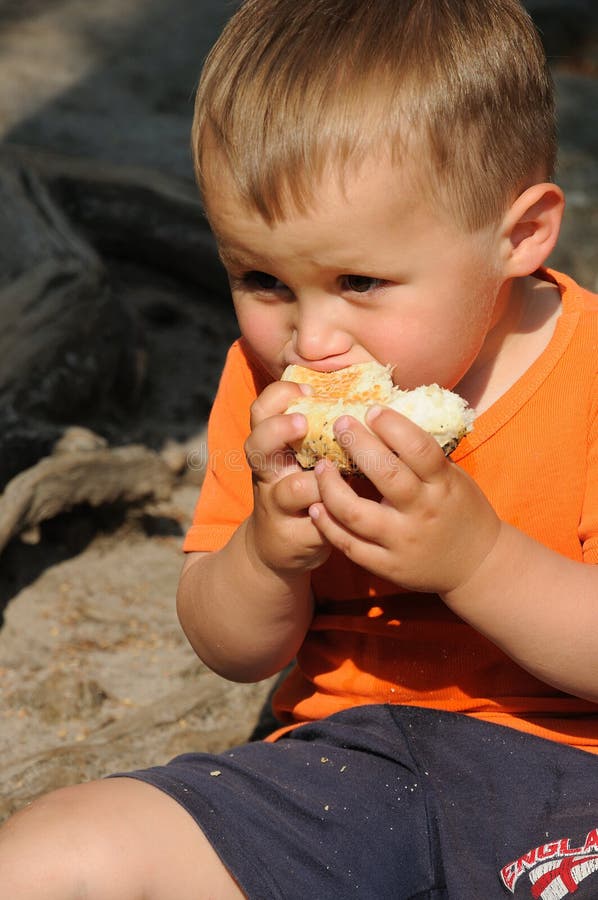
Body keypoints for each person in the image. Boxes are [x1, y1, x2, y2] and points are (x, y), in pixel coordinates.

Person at [1, 0, 597, 897]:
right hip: (346, 769)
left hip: (568, 777)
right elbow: (230, 647)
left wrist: (477, 560)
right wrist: (266, 557)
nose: (311, 335)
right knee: (55, 852)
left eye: (360, 281)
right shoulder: (264, 379)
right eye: (260, 279)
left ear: (520, 235)